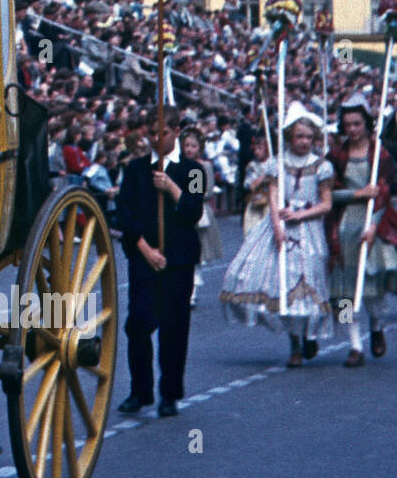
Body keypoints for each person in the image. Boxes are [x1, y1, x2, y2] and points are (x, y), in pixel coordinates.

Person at [220, 104, 334, 366]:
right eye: (299, 137)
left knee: (310, 283)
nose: (304, 142)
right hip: (283, 227)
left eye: (308, 137)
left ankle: (309, 333)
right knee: (284, 282)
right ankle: (294, 343)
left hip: (309, 229)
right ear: (290, 137)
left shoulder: (321, 166)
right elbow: (273, 195)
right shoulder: (277, 164)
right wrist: (277, 224)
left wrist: (302, 215)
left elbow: (326, 204)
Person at [116, 106, 206, 417]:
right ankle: (140, 390)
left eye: (163, 133)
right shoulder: (135, 169)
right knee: (138, 323)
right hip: (145, 257)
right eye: (152, 133)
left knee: (174, 327)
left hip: (178, 258)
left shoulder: (193, 170)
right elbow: (124, 214)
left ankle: (170, 393)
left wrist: (170, 187)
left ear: (176, 132)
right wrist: (143, 248)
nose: (156, 139)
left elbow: (194, 211)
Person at [327, 94, 395, 367]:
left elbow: (386, 190)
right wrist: (357, 193)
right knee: (343, 290)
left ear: (366, 123)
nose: (353, 130)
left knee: (372, 287)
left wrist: (374, 224)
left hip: (372, 223)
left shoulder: (381, 152)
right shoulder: (336, 155)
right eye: (348, 125)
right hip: (344, 225)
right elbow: (328, 193)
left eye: (357, 124)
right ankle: (353, 343)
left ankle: (376, 326)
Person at [182, 127, 222, 308]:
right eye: (186, 146)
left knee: (197, 254)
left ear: (199, 148)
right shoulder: (180, 165)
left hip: (198, 212)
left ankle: (192, 291)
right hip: (182, 209)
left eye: (193, 146)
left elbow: (203, 192)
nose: (189, 149)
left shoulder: (202, 167)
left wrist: (187, 195)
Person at [242, 133, 275, 234]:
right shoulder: (252, 165)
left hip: (271, 202)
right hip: (256, 201)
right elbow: (250, 184)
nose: (256, 152)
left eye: (260, 148)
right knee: (251, 230)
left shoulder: (274, 164)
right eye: (255, 149)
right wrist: (261, 179)